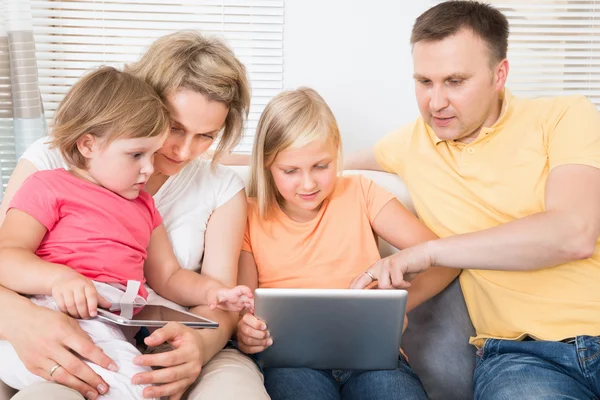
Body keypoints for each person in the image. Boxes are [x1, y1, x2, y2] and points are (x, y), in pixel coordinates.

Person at [347, 1, 600, 399]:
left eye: (455, 81)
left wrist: (429, 252)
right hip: (524, 359)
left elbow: (574, 233)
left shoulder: (564, 116)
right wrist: (214, 154)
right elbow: (315, 159)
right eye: (424, 81)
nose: (436, 102)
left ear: (499, 74)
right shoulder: (410, 144)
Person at [0, 31, 270, 400]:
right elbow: (7, 256)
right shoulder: (51, 169)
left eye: (206, 136)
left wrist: (202, 341)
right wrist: (23, 318)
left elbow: (182, 283)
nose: (184, 151)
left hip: (163, 339)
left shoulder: (197, 192)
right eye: (174, 128)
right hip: (49, 323)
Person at [235, 87, 441, 400]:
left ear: (337, 153)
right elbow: (244, 307)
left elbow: (443, 258)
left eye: (321, 166)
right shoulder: (248, 214)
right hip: (291, 364)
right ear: (267, 164)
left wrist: (396, 309)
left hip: (373, 360)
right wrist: (245, 331)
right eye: (290, 171)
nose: (308, 184)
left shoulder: (360, 192)